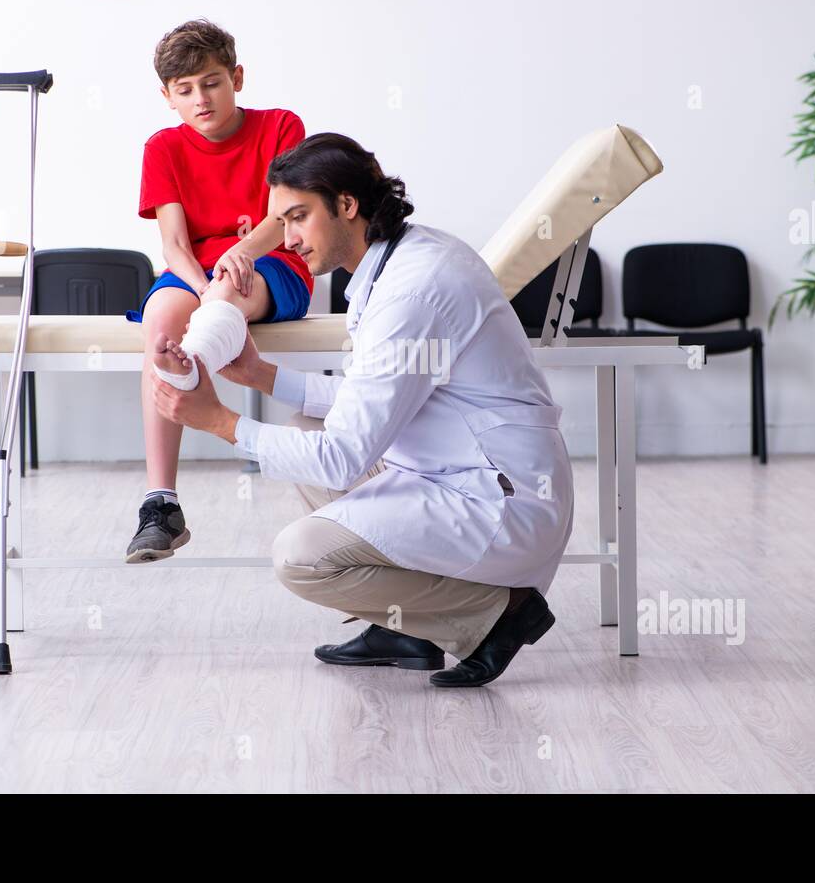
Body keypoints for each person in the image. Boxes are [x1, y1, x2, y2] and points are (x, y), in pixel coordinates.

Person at [152, 133, 574, 688]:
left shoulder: (412, 293)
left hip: (503, 497)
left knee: (300, 556)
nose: (289, 240)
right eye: (281, 223)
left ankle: (496, 612)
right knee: (304, 425)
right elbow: (372, 398)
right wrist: (261, 376)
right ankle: (403, 626)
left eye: (298, 217)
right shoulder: (402, 260)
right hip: (460, 467)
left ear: (347, 205)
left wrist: (219, 422)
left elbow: (343, 458)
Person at [122, 19, 312, 563]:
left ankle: (194, 370)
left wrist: (241, 256)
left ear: (237, 77)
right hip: (200, 275)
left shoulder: (280, 127)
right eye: (185, 90)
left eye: (211, 82)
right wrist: (206, 291)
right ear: (168, 97)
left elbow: (286, 216)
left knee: (229, 287)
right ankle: (161, 503)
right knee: (160, 317)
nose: (200, 98)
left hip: (272, 265)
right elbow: (175, 245)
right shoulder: (163, 147)